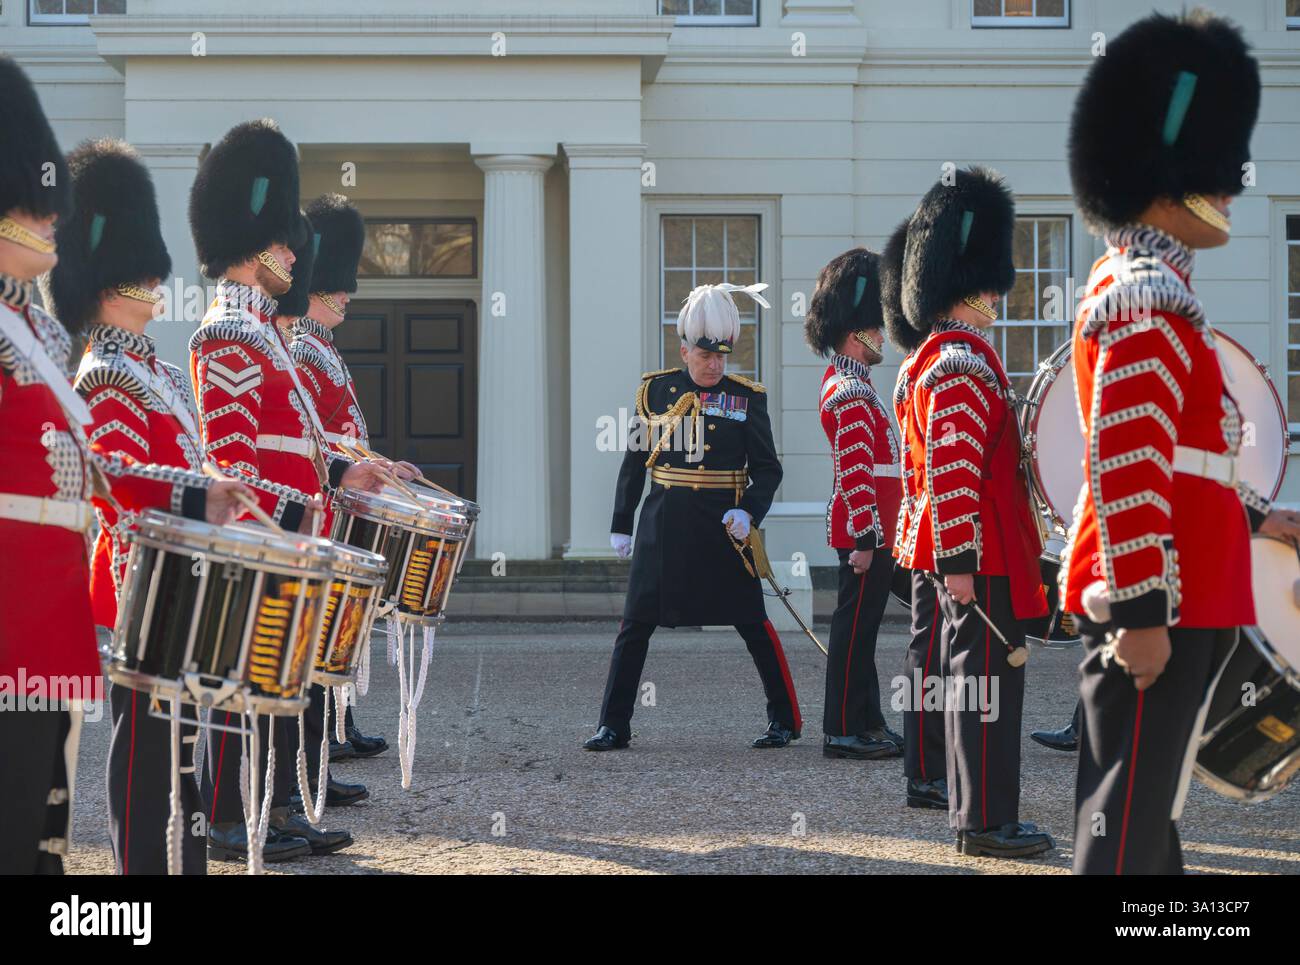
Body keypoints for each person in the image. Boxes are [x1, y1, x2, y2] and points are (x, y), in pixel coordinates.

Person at [1062, 10, 1300, 875]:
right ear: (1169, 174)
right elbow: (1126, 462)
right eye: (1217, 168)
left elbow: (1184, 464)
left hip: (1190, 586)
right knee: (1123, 832)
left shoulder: (1161, 292)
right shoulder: (1143, 294)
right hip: (1163, 599)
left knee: (1149, 818)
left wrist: (1254, 521)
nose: (1230, 187)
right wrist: (1140, 611)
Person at [43, 138, 313, 874]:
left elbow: (192, 460)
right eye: (136, 271)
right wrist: (205, 496)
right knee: (146, 749)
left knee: (179, 751)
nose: (153, 281)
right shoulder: (104, 375)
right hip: (141, 575)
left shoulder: (152, 367)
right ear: (101, 282)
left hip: (183, 571)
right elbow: (126, 481)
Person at [0, 59, 243, 874]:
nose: (45, 221)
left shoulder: (32, 337)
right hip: (75, 600)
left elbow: (94, 467)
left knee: (47, 833)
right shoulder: (89, 364)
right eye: (29, 209)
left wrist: (202, 495)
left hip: (55, 619)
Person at [187, 119, 387, 862]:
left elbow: (298, 446)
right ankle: (230, 819)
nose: (294, 253)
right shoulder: (227, 336)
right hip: (263, 542)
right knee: (245, 685)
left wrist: (342, 474)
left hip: (294, 537)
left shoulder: (265, 336)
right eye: (281, 242)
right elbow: (232, 462)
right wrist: (280, 528)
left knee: (278, 690)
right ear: (251, 246)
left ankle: (274, 812)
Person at [897, 166, 1053, 858]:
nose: (998, 291)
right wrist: (959, 562)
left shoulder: (941, 356)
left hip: (973, 550)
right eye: (990, 277)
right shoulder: (958, 363)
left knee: (972, 685)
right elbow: (953, 471)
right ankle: (986, 822)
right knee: (985, 686)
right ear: (972, 279)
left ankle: (975, 812)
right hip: (978, 552)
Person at [583, 283, 802, 751]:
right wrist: (621, 522)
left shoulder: (747, 399)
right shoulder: (656, 391)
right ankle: (613, 724)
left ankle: (784, 719)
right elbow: (634, 460)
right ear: (685, 351)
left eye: (722, 356)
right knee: (635, 625)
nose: (715, 364)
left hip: (723, 525)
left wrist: (749, 512)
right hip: (664, 523)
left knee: (753, 622)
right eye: (705, 356)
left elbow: (768, 468)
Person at [803, 247, 903, 761]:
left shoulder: (857, 385)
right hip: (865, 531)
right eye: (876, 328)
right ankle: (841, 729)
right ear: (856, 330)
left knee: (863, 634)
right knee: (852, 633)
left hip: (876, 529)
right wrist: (866, 539)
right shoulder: (847, 391)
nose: (882, 336)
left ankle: (868, 722)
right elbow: (857, 474)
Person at [880, 218, 948, 810]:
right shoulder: (941, 362)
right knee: (933, 652)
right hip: (939, 525)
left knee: (928, 647)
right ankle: (926, 769)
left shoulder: (919, 361)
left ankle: (926, 764)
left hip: (919, 521)